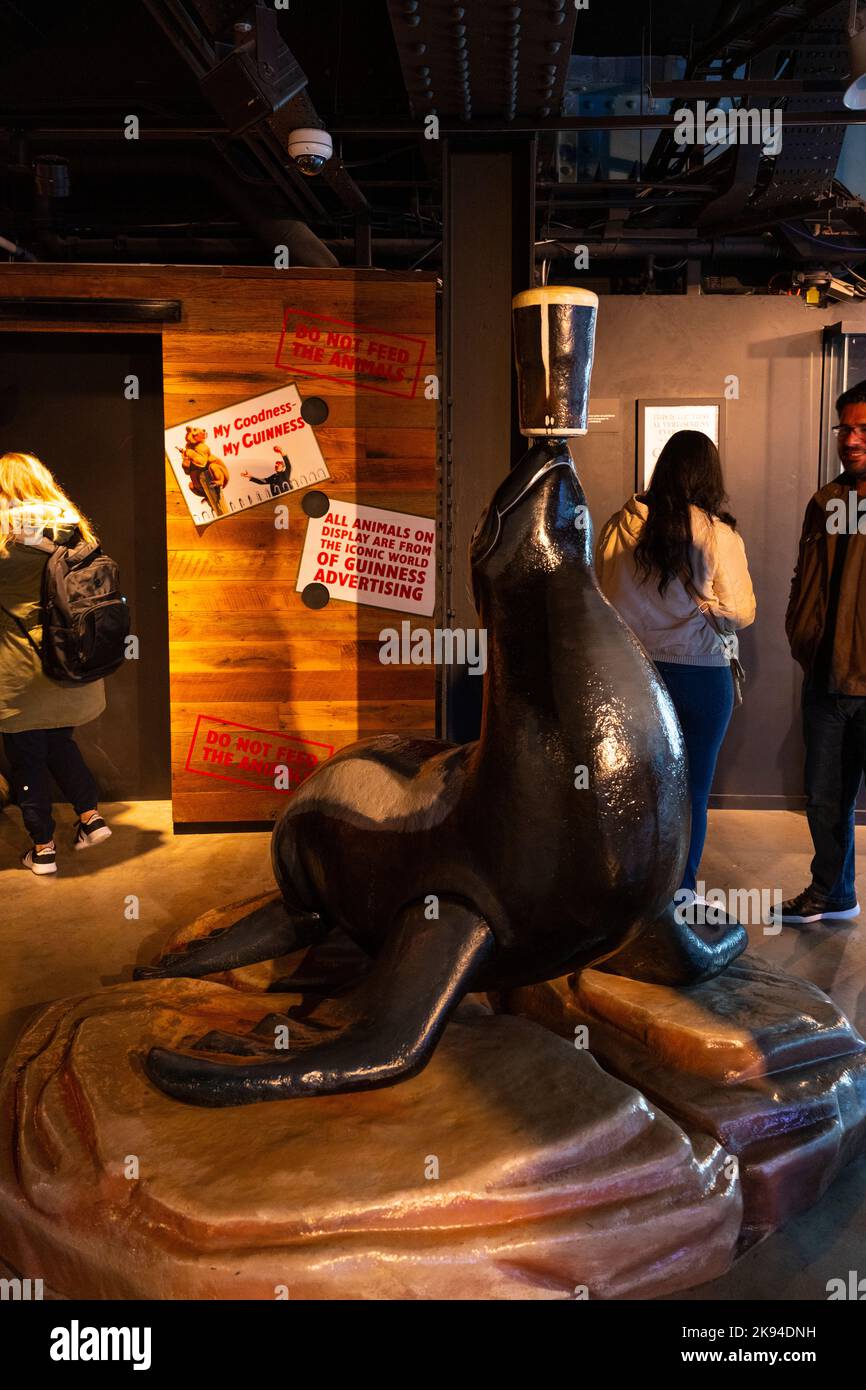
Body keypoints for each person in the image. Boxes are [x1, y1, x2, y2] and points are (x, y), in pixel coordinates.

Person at [596, 430, 756, 898]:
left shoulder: (616, 527)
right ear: (709, 475)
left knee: (634, 793)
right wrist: (703, 607)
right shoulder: (717, 534)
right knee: (692, 795)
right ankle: (678, 900)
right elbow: (741, 613)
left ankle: (629, 900)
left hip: (633, 676)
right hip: (701, 677)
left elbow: (601, 601)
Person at [776, 380, 866, 924]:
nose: (851, 439)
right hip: (828, 679)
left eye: (862, 429)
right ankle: (832, 891)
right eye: (845, 429)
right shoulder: (825, 501)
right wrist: (801, 634)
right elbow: (805, 581)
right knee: (825, 798)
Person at [0, 452, 111, 875]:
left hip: (17, 671)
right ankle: (90, 816)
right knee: (59, 743)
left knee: (27, 757)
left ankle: (43, 848)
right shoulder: (72, 528)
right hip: (69, 663)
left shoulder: (2, 539)